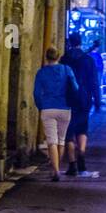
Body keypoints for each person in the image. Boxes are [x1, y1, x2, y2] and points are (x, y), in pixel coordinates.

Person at [61, 32, 102, 177]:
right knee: (82, 129)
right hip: (84, 99)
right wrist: (97, 100)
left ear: (69, 43)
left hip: (68, 99)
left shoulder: (64, 59)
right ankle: (82, 159)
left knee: (69, 132)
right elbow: (94, 81)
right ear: (80, 42)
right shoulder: (88, 60)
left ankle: (72, 165)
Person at [33, 48, 78, 181]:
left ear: (46, 57)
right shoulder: (67, 69)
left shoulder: (41, 72)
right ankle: (58, 167)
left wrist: (40, 105)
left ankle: (55, 171)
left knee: (51, 141)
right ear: (58, 57)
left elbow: (36, 93)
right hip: (64, 108)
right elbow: (75, 87)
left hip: (48, 108)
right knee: (61, 140)